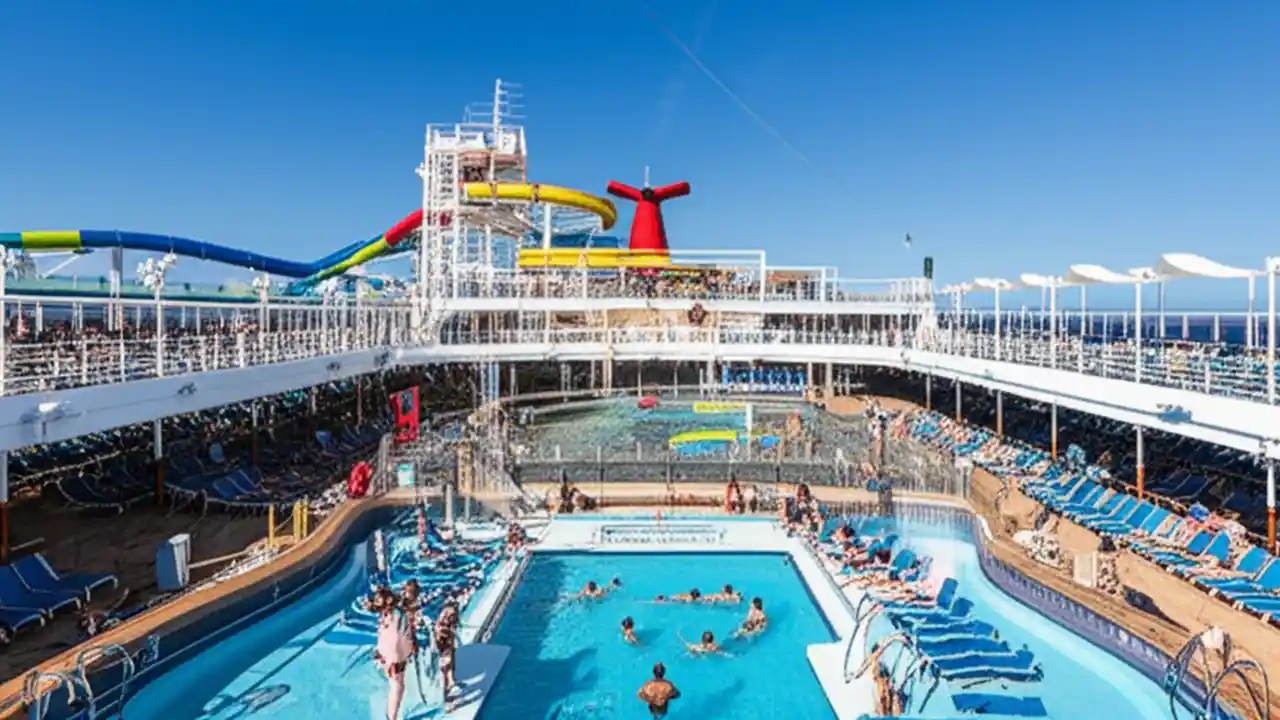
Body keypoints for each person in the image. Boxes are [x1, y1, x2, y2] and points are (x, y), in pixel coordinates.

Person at [373, 586, 417, 720]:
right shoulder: (397, 616)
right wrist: (411, 647)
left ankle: (391, 715)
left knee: (396, 684)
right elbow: (401, 638)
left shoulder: (388, 616)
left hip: (388, 654)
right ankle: (391, 717)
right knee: (398, 686)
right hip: (394, 656)